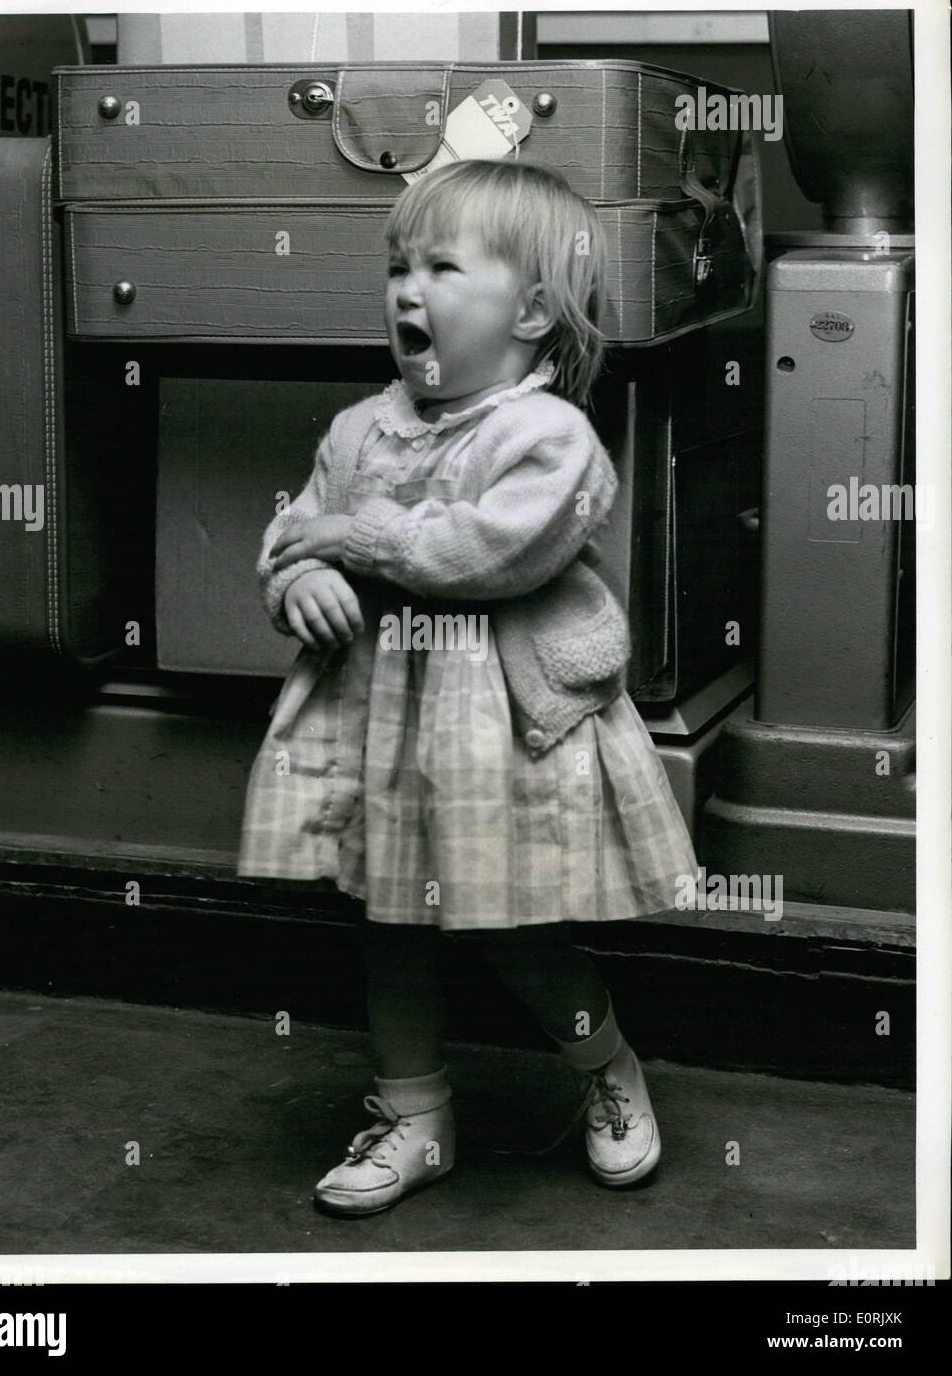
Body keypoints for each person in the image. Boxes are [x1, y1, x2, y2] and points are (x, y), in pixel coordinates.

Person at [238, 159, 699, 1216]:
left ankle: (605, 1069)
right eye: (398, 264)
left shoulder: (546, 438)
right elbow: (294, 521)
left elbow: (489, 552)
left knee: (515, 929)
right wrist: (299, 573)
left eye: (442, 265)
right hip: (384, 725)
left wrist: (347, 535)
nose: (407, 287)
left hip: (497, 733)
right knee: (390, 926)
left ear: (531, 309)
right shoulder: (359, 429)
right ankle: (414, 1115)